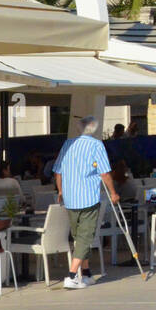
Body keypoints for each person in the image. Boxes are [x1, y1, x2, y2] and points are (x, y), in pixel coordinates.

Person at [53, 116, 119, 290]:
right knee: (85, 236)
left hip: (70, 198)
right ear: (94, 129)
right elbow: (104, 173)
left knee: (79, 236)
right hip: (88, 197)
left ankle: (87, 272)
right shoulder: (96, 145)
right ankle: (73, 276)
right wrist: (113, 192)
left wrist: (60, 191)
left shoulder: (68, 144)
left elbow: (58, 171)